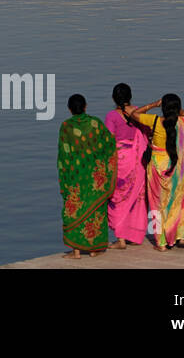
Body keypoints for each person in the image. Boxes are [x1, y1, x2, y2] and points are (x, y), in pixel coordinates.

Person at [128, 94, 184, 250]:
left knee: (157, 204)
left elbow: (133, 114)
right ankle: (180, 236)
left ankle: (161, 242)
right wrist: (177, 109)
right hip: (178, 169)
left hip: (158, 167)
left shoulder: (155, 121)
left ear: (163, 107)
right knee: (179, 202)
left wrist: (154, 104)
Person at [57, 93, 117, 258]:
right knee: (94, 210)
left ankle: (75, 251)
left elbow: (64, 155)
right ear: (85, 106)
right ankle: (92, 249)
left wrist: (64, 178)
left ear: (69, 109)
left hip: (75, 177)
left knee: (75, 210)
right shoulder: (95, 123)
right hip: (94, 177)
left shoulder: (66, 127)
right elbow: (109, 144)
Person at [104, 83, 149, 249]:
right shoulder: (138, 111)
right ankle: (133, 234)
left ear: (113, 98)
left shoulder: (111, 116)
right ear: (130, 96)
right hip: (137, 159)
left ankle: (120, 239)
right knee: (136, 196)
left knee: (118, 196)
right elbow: (146, 131)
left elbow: (109, 140)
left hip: (120, 159)